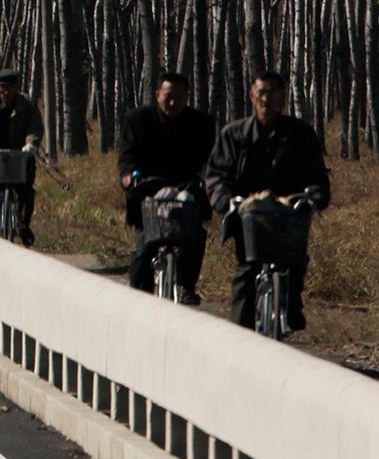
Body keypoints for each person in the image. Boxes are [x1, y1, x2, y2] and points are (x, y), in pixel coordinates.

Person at [203, 71, 331, 331]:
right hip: (247, 214)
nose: (266, 98)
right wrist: (226, 201)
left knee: (294, 263)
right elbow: (216, 175)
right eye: (261, 92)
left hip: (288, 214)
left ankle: (291, 305)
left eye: (272, 92)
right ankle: (241, 337)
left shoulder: (300, 134)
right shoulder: (234, 134)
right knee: (247, 271)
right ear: (252, 96)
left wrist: (314, 196)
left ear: (281, 96)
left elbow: (316, 173)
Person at [118, 72, 216, 303]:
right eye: (168, 96)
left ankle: (185, 287)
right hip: (148, 192)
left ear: (187, 97)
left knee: (196, 236)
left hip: (187, 192)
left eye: (180, 97)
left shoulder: (201, 123)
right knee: (144, 249)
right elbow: (127, 157)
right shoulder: (137, 120)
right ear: (157, 95)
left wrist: (213, 182)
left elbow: (212, 161)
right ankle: (138, 300)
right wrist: (128, 178)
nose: (174, 103)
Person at [0, 69, 44, 246]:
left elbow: (35, 126)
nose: (4, 91)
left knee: (26, 190)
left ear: (15, 87)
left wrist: (31, 144)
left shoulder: (26, 104)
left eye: (8, 88)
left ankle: (23, 226)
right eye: (1, 87)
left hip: (21, 153)